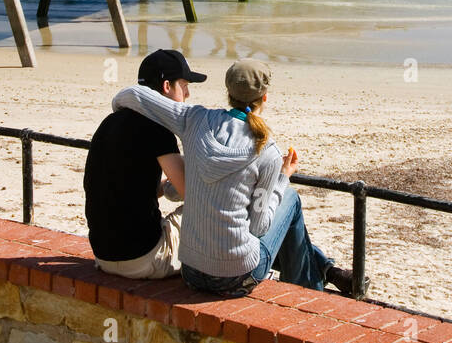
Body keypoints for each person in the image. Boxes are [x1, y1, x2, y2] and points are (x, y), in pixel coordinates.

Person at [111, 59, 361, 298]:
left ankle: (320, 272)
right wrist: (282, 178)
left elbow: (134, 95)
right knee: (290, 199)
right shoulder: (268, 153)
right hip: (236, 278)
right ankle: (309, 287)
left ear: (228, 91)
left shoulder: (195, 119)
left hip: (192, 272)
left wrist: (117, 107)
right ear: (265, 97)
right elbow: (259, 227)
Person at [84, 50, 201, 280]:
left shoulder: (109, 122)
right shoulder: (158, 129)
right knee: (213, 211)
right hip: (144, 258)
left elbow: (125, 186)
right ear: (167, 86)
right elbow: (192, 192)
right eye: (184, 85)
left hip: (103, 254)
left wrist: (163, 188)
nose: (187, 94)